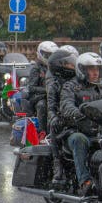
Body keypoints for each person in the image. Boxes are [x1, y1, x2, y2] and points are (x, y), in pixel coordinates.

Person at [59, 52, 102, 196]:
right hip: (75, 130)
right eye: (91, 69)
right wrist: (80, 114)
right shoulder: (71, 86)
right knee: (79, 139)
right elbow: (66, 105)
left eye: (97, 69)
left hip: (99, 131)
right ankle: (85, 182)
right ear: (82, 70)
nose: (95, 72)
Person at [45, 47, 77, 185]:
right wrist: (54, 117)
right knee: (54, 127)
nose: (73, 65)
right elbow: (51, 107)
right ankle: (57, 163)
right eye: (69, 63)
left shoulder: (79, 80)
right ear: (59, 66)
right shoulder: (54, 85)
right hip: (62, 118)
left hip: (77, 116)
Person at [28, 40, 58, 134]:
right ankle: (42, 132)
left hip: (55, 95)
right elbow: (31, 87)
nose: (50, 58)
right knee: (43, 105)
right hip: (40, 97)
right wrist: (46, 90)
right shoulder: (36, 68)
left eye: (52, 55)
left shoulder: (57, 68)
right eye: (48, 55)